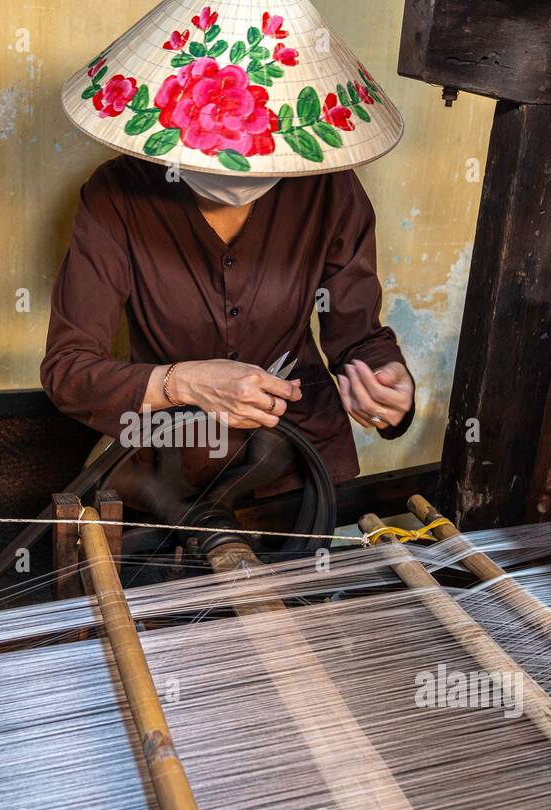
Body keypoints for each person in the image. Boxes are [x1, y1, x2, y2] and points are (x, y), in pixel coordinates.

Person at [42, 1, 415, 486]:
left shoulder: (330, 189)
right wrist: (184, 383)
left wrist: (388, 384)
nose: (236, 167)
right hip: (173, 473)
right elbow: (68, 372)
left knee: (317, 563)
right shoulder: (116, 195)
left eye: (257, 147)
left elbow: (358, 336)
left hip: (301, 468)